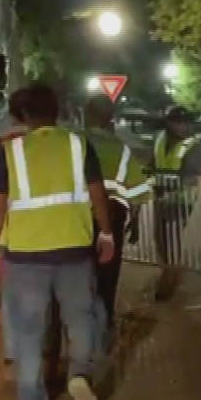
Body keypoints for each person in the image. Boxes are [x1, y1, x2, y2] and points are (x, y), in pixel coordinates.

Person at [0, 82, 118, 400]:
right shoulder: (77, 145)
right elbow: (97, 192)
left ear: (23, 116)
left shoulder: (10, 152)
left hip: (26, 254)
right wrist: (107, 233)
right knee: (80, 317)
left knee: (28, 328)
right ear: (56, 112)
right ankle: (80, 376)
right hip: (74, 247)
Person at [80, 94, 152, 335]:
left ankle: (80, 327)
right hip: (112, 218)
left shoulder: (74, 144)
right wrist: (136, 225)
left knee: (78, 276)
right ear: (110, 118)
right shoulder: (120, 149)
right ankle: (104, 325)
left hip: (78, 218)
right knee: (107, 277)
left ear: (86, 115)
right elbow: (137, 192)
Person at [149, 106, 199, 300]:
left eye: (184, 123)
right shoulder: (160, 139)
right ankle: (168, 269)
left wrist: (172, 182)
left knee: (171, 239)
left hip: (179, 200)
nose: (181, 126)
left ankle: (170, 278)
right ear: (169, 123)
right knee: (159, 238)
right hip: (160, 197)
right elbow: (152, 162)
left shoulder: (192, 145)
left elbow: (191, 174)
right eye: (177, 122)